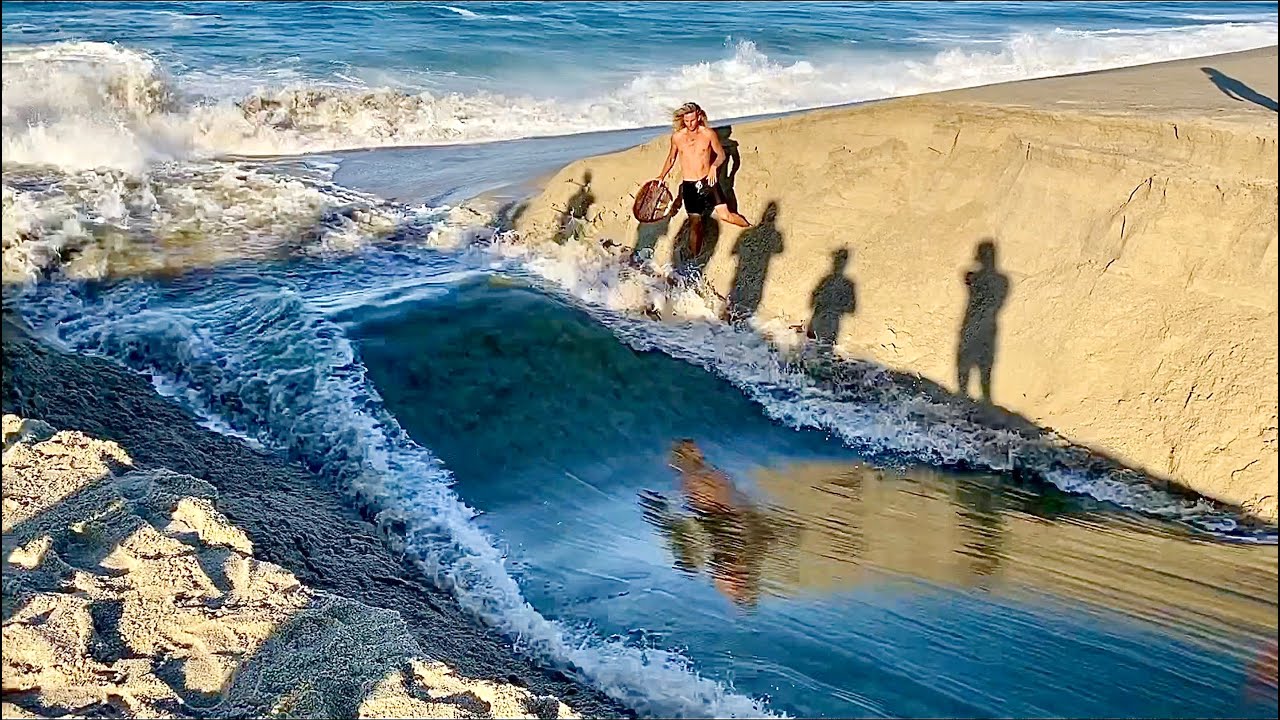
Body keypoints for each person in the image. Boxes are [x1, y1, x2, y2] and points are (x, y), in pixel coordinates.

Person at [654, 102, 752, 260]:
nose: (690, 124)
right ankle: (695, 258)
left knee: (726, 215)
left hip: (709, 181)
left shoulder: (708, 134)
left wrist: (714, 166)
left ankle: (751, 228)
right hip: (690, 185)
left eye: (693, 120)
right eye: (687, 121)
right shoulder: (677, 137)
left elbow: (722, 155)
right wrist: (661, 176)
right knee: (695, 223)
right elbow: (671, 158)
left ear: (699, 116)